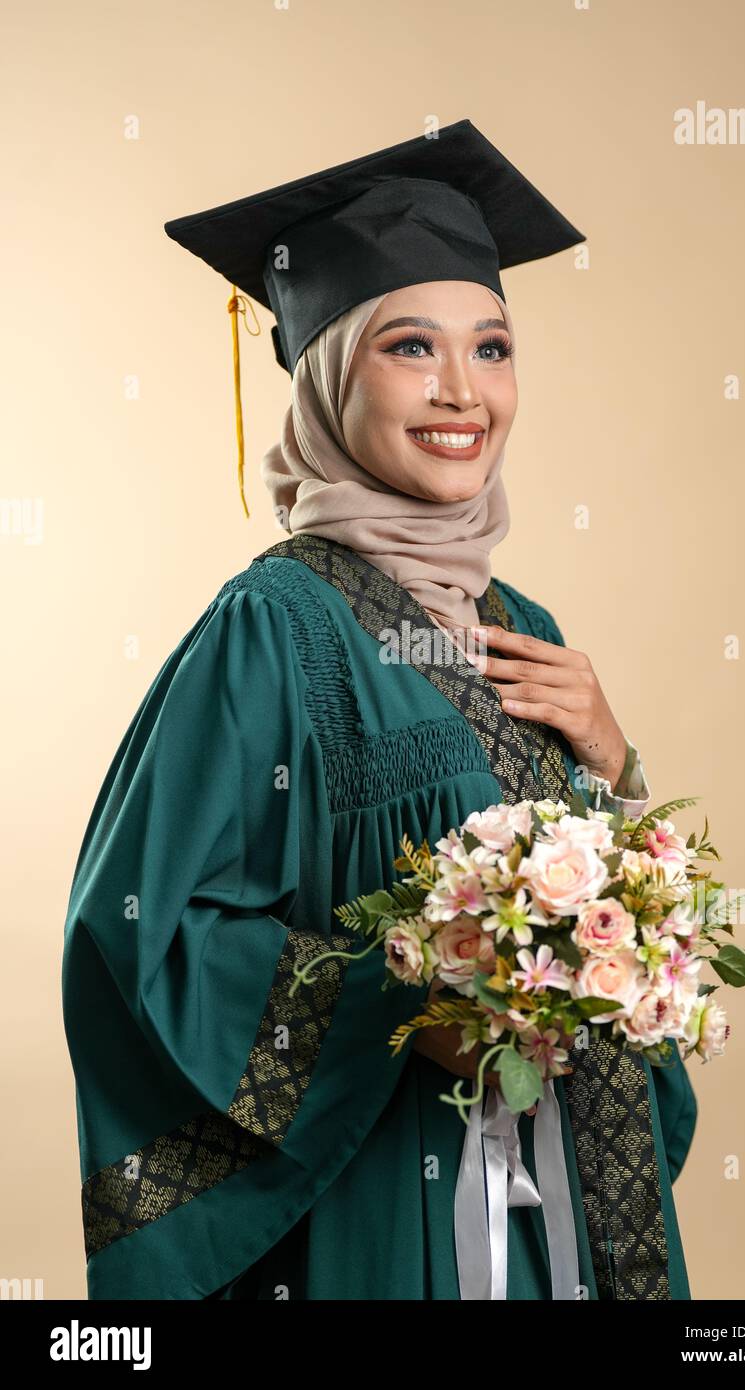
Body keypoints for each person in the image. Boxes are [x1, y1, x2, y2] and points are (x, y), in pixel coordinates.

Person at [61, 120, 697, 1300]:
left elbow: (608, 936)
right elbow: (138, 928)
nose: (464, 392)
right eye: (412, 347)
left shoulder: (527, 623)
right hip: (384, 1217)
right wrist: (399, 1006)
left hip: (560, 1225)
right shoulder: (274, 627)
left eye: (492, 348)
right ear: (327, 374)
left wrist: (612, 769)